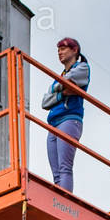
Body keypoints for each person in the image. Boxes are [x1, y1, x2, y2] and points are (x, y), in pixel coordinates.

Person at [41, 37, 91, 194]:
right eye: (58, 50)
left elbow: (67, 81)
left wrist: (58, 88)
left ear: (75, 50)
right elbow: (44, 102)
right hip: (54, 123)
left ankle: (65, 203)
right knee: (56, 173)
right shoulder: (61, 75)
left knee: (64, 168)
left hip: (69, 120)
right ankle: (58, 201)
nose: (59, 52)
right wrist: (62, 93)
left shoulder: (82, 68)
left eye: (63, 49)